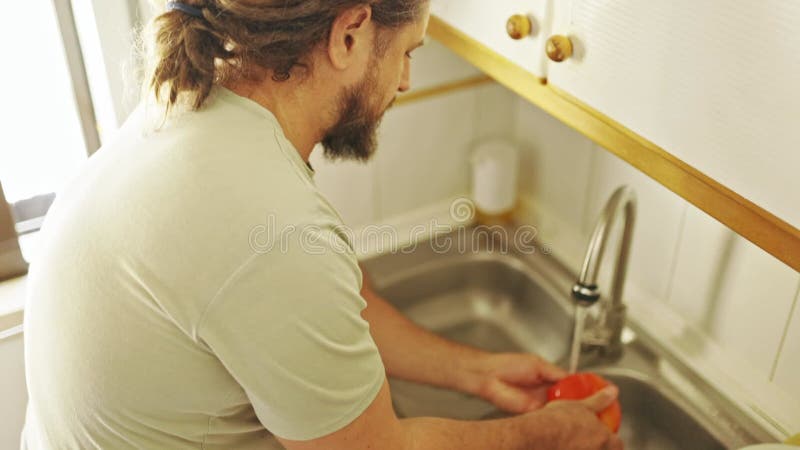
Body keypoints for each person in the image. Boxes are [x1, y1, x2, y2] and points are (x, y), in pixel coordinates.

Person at [22, 1, 623, 449]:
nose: (406, 81)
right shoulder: (276, 227)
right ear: (349, 34)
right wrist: (539, 437)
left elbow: (346, 303)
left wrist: (476, 372)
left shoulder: (186, 107)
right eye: (409, 51)